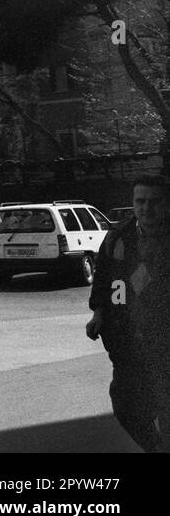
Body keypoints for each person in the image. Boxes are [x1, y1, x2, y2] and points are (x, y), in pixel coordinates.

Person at [87, 174, 170, 452]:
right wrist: (99, 312)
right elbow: (104, 278)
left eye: (154, 202)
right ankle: (154, 447)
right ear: (133, 203)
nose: (147, 208)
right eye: (140, 201)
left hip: (165, 340)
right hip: (129, 339)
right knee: (124, 404)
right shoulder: (118, 237)